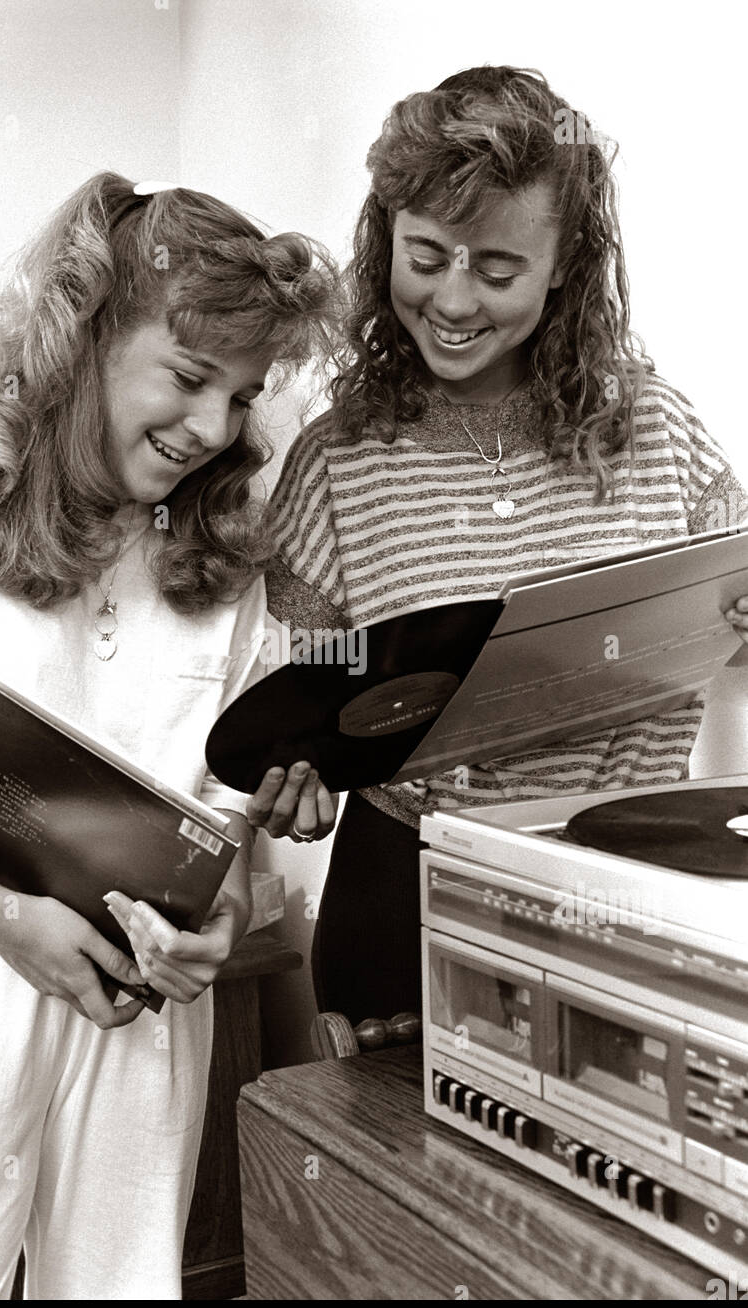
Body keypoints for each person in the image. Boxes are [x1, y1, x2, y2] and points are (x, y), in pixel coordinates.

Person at [0, 172, 336, 1299]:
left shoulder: (224, 562)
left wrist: (219, 922)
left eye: (241, 394)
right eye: (187, 377)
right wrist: (8, 919)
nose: (211, 428)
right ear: (83, 338)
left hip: (142, 1009)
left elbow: (221, 824)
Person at [248, 66, 748, 1022]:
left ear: (563, 264)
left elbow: (732, 623)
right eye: (425, 255)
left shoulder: (653, 429)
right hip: (402, 894)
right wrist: (297, 771)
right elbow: (310, 700)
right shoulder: (337, 459)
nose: (453, 299)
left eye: (498, 267)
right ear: (382, 237)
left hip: (625, 882)